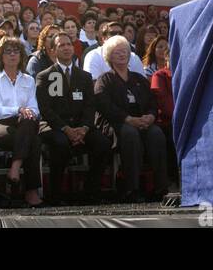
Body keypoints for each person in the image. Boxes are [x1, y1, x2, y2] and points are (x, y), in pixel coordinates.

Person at [35, 33, 109, 204]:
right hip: (54, 127)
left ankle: (90, 191)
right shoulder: (44, 76)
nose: (67, 48)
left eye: (69, 44)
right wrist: (66, 129)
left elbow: (90, 106)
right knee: (60, 143)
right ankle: (56, 194)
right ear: (53, 50)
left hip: (80, 127)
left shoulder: (84, 76)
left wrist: (84, 128)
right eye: (61, 45)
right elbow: (45, 109)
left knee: (103, 143)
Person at [93, 36, 168, 202]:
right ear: (109, 56)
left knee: (156, 133)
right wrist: (128, 119)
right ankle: (131, 189)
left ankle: (161, 187)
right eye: (117, 52)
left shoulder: (139, 79)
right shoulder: (104, 80)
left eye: (125, 51)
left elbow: (152, 102)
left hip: (142, 121)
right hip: (117, 124)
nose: (122, 54)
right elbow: (105, 107)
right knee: (130, 133)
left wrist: (151, 116)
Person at [0, 37, 43, 206]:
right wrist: (18, 110)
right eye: (8, 52)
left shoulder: (28, 80)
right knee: (33, 140)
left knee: (30, 126)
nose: (12, 55)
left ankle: (15, 168)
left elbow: (35, 108)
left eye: (16, 51)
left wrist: (27, 112)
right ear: (0, 56)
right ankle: (31, 191)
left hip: (23, 124)